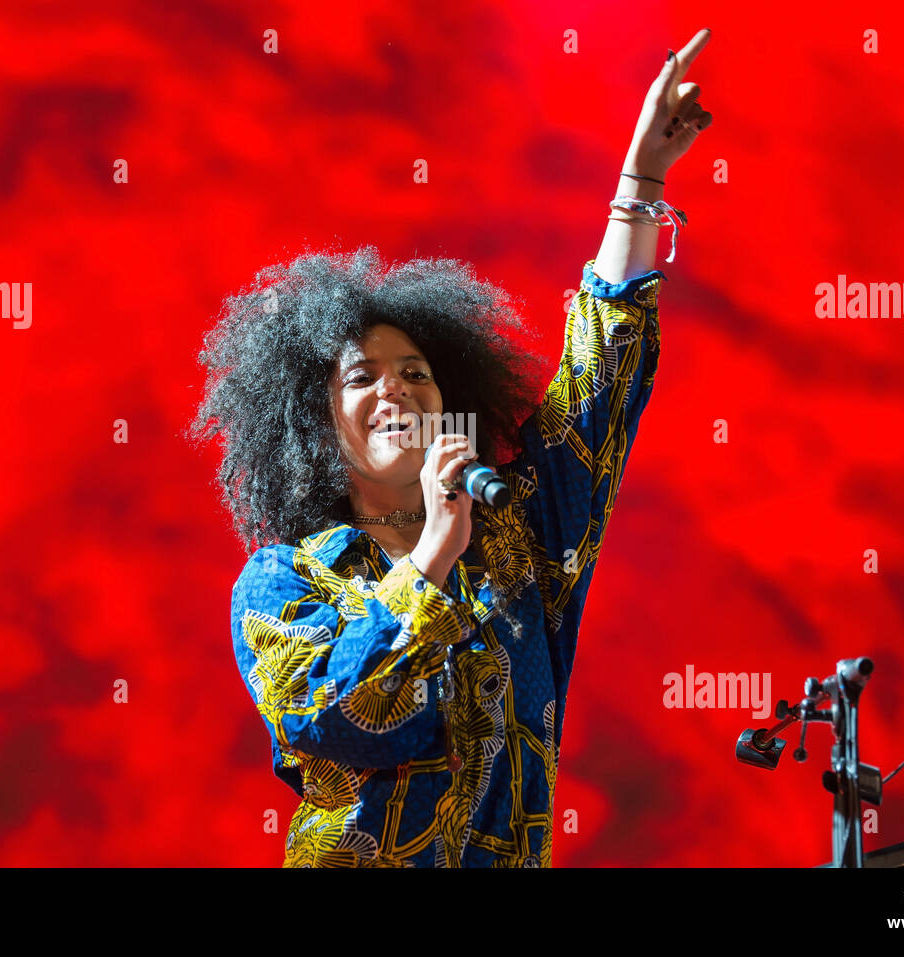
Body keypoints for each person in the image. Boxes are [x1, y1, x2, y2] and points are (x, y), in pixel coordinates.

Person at [190, 29, 712, 866]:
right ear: (317, 432)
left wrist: (640, 184)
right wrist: (433, 551)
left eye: (418, 372)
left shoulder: (515, 541)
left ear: (450, 402)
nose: (396, 387)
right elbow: (338, 715)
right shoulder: (285, 581)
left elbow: (595, 391)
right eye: (363, 379)